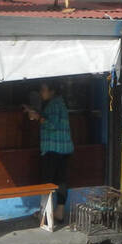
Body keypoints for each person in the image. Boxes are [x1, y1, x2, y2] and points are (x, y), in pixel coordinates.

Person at [26, 80, 73, 224]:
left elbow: (52, 124)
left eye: (43, 90)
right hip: (64, 148)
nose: (41, 93)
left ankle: (44, 213)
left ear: (52, 91)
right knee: (61, 180)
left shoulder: (53, 104)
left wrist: (37, 117)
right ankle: (59, 212)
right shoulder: (60, 103)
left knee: (47, 181)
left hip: (52, 148)